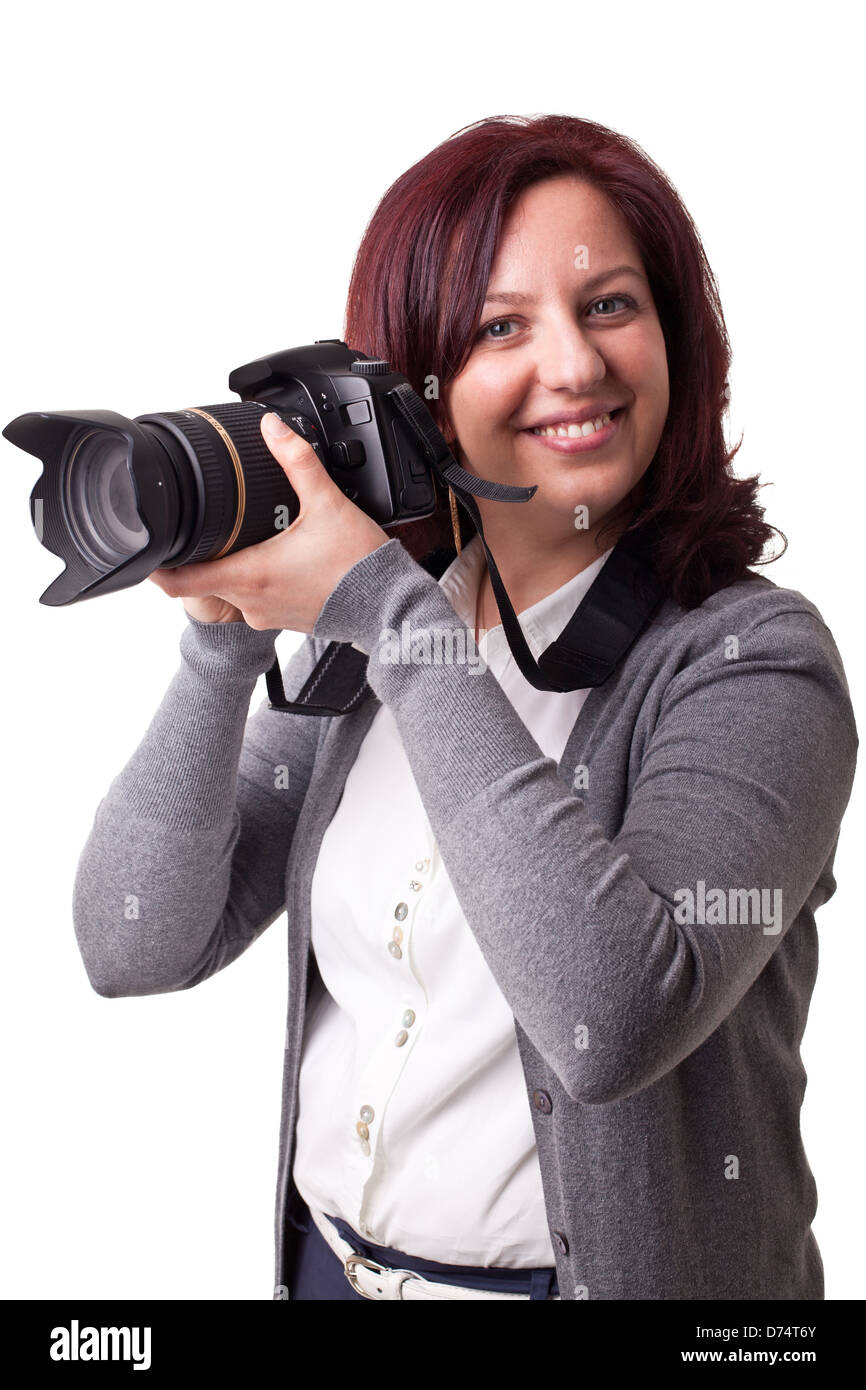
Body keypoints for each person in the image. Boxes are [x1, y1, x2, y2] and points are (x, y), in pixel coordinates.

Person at [72, 114, 858, 1301]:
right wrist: (220, 644)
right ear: (412, 393)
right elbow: (133, 944)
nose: (575, 367)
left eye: (609, 306)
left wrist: (389, 616)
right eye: (501, 326)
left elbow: (609, 1019)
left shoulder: (750, 659)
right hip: (326, 1274)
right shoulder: (378, 626)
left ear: (676, 340)